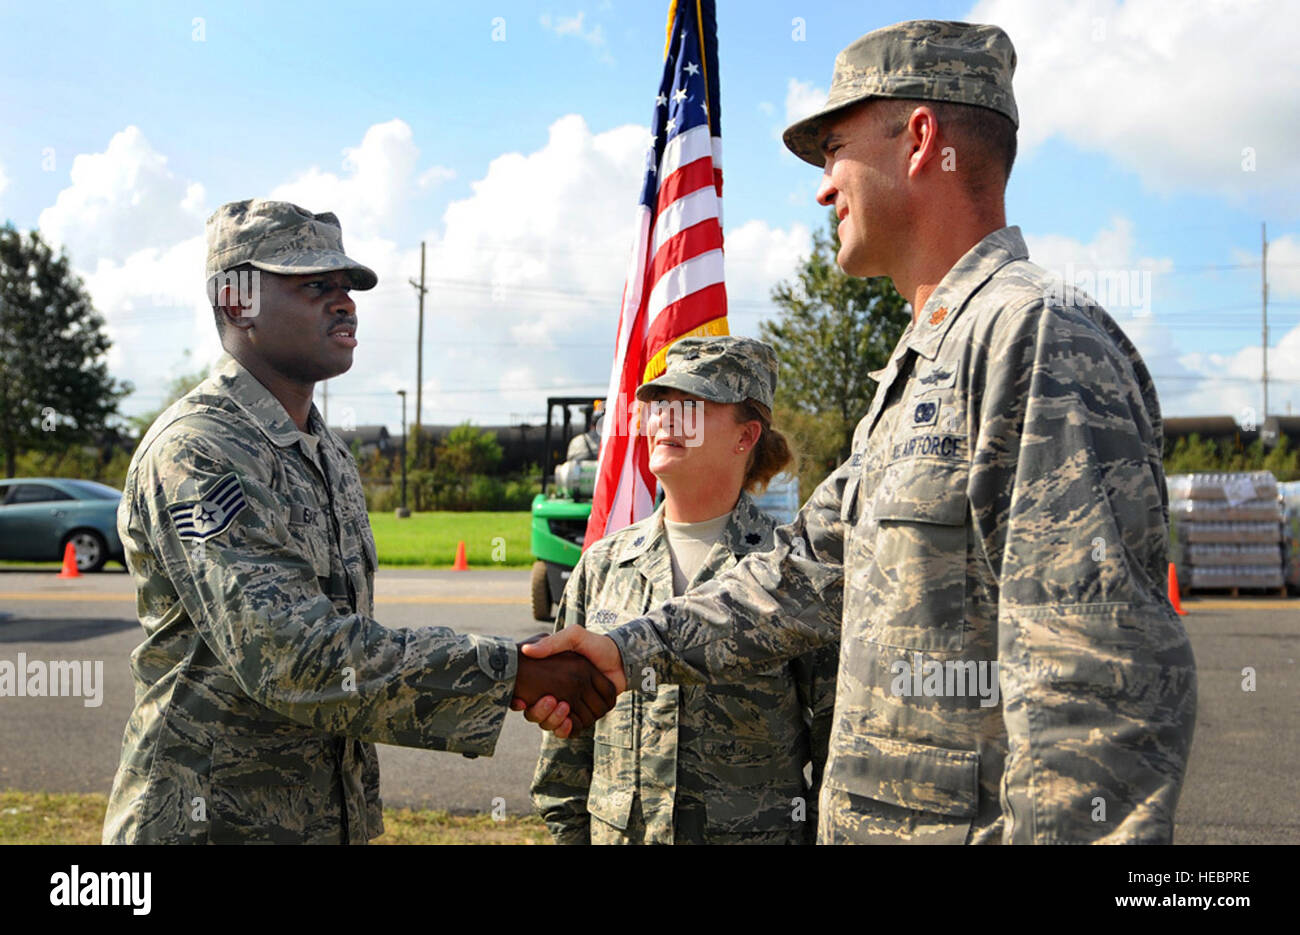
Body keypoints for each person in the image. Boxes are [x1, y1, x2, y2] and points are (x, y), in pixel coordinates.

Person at [521, 20, 1198, 844]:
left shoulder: (1035, 339)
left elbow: (1097, 696)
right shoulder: (923, 367)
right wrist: (627, 648)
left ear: (920, 140)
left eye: (834, 148)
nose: (822, 187)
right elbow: (801, 574)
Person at [103, 199, 615, 844]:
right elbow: (292, 653)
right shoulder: (200, 447)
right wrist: (514, 671)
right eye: (315, 285)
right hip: (208, 820)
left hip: (322, 816)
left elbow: (346, 644)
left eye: (347, 287)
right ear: (237, 302)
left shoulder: (325, 450)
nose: (344, 303)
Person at [529, 337, 839, 844]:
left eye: (691, 406)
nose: (666, 420)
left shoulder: (788, 575)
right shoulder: (603, 566)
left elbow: (833, 750)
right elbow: (565, 757)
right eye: (659, 406)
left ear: (746, 436)